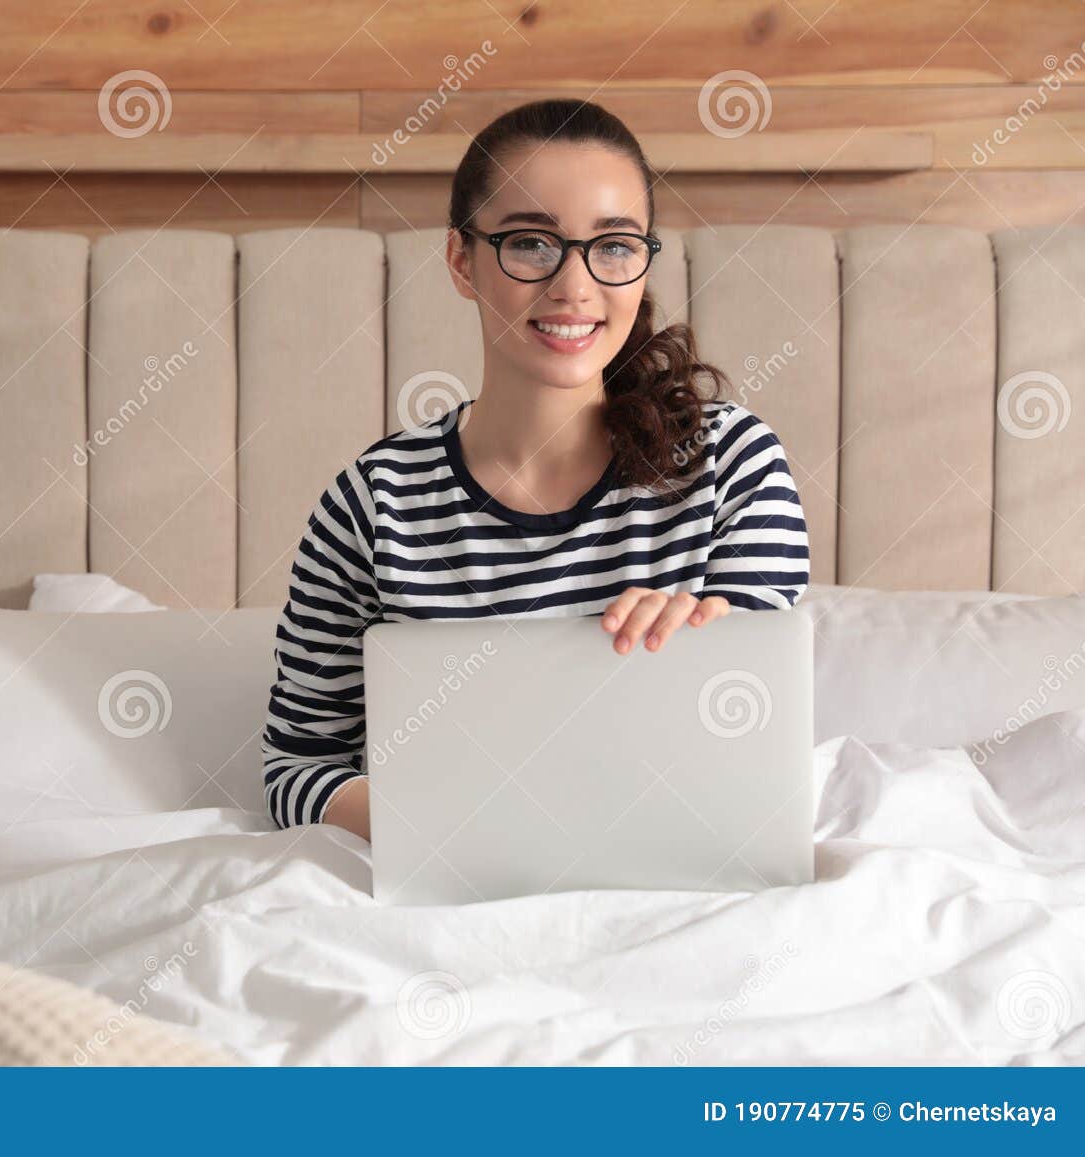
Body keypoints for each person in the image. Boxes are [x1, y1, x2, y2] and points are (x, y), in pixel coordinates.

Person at [260, 98, 811, 840]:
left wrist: (712, 648)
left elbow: (764, 756)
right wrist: (456, 826)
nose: (574, 287)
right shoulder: (373, 504)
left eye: (614, 247)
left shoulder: (731, 463)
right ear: (462, 260)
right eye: (530, 243)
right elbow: (297, 767)